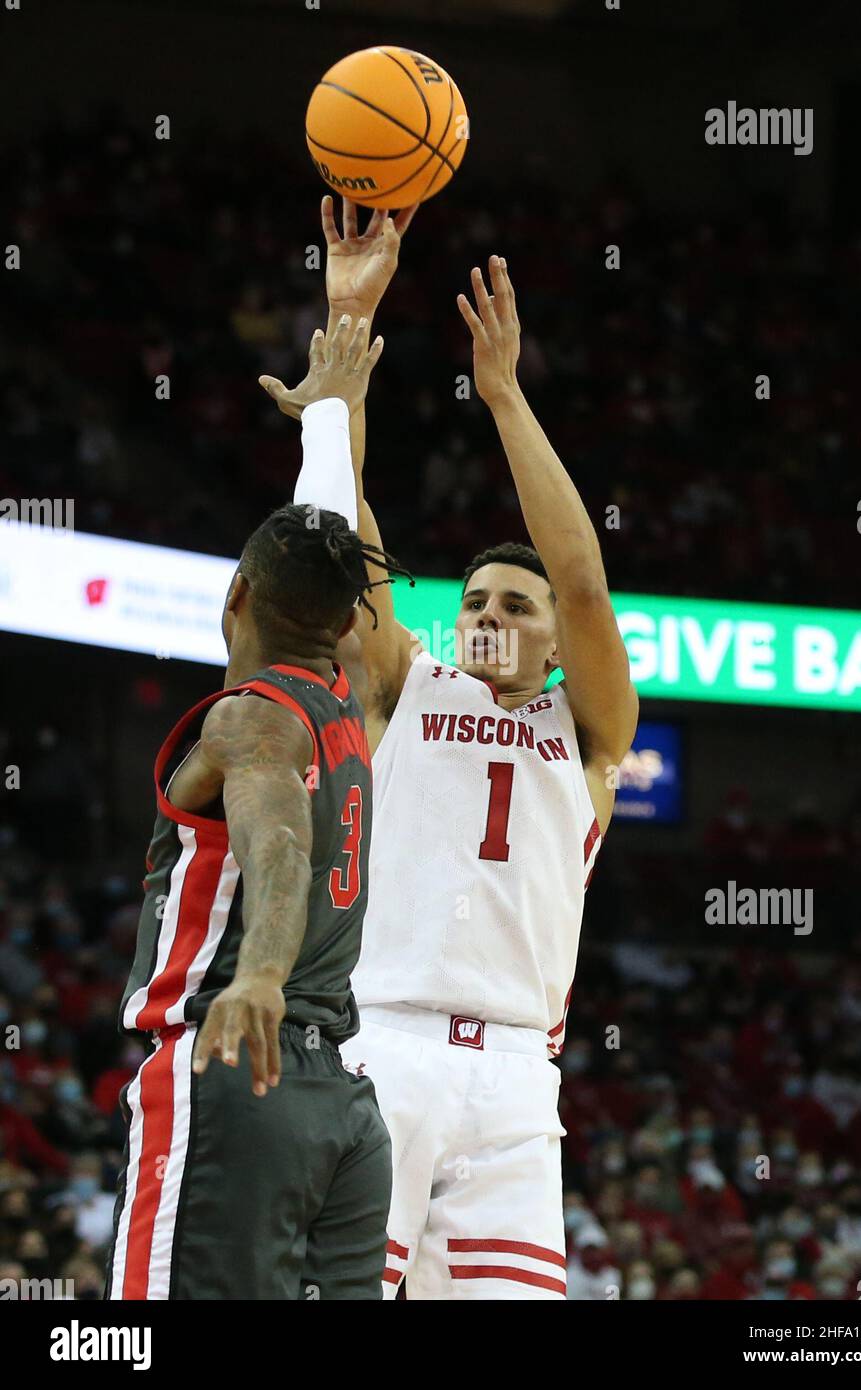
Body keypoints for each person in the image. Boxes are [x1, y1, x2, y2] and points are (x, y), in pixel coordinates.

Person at [261, 198, 638, 1299]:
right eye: (476, 596)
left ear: (556, 639)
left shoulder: (589, 731)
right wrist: (341, 362)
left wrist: (505, 394)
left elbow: (581, 579)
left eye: (517, 604)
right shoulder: (405, 686)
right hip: (385, 1048)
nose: (495, 611)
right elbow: (340, 542)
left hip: (519, 1082)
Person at [107, 319, 410, 1300]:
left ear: (235, 595)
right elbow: (326, 545)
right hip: (342, 1113)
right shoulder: (354, 697)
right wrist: (328, 411)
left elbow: (275, 842)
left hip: (237, 1067)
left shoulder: (250, 721)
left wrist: (265, 973)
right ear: (345, 621)